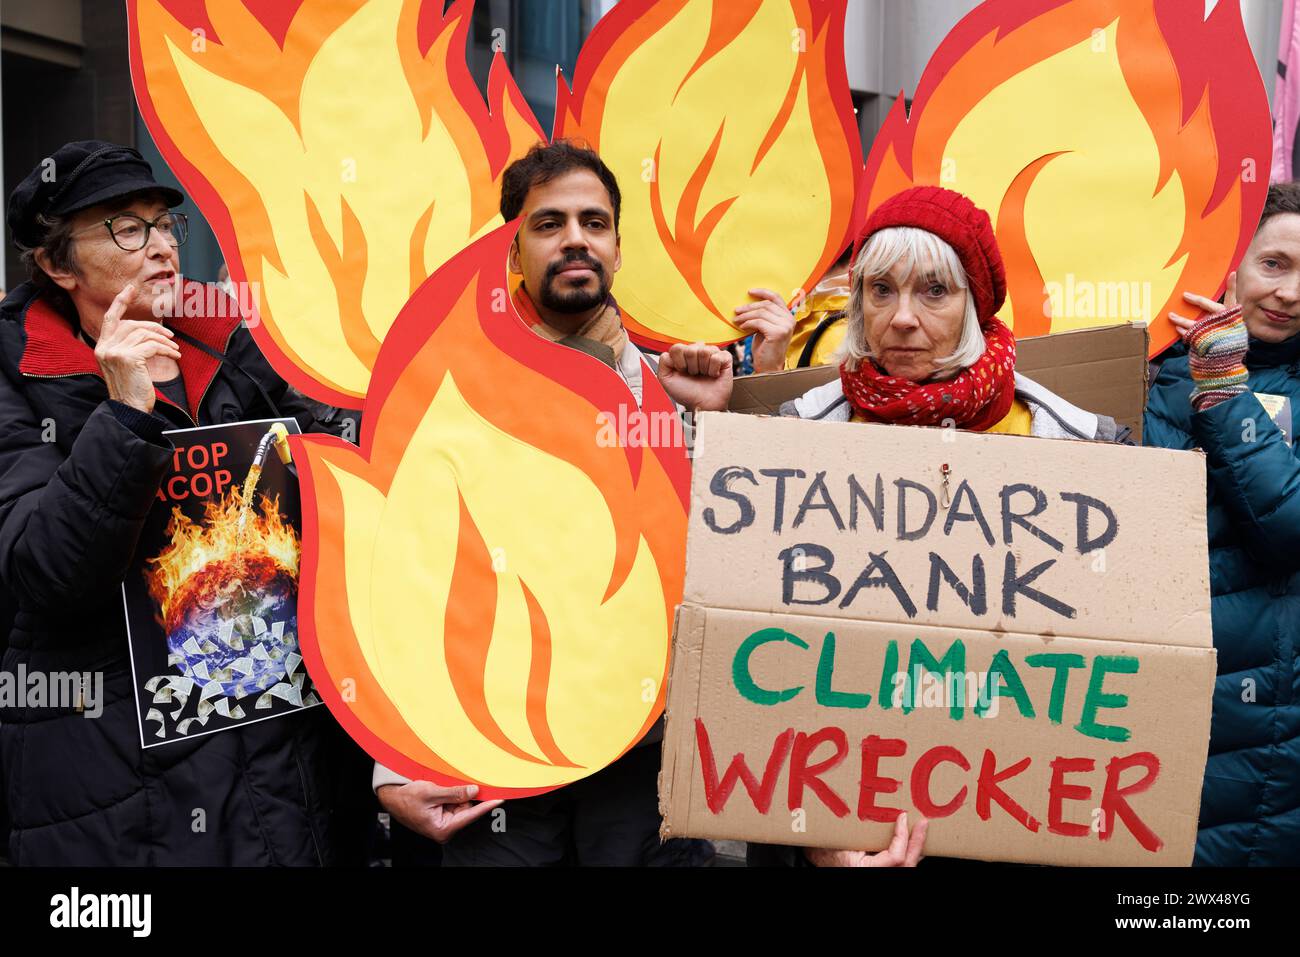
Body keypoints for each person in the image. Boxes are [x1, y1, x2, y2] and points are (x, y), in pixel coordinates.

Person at [657, 184, 1127, 865]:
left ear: (974, 305)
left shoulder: (1083, 448)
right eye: (881, 290)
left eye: (933, 291)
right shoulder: (799, 442)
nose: (902, 318)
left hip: (1018, 822)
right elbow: (746, 649)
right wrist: (820, 843)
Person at [0, 140, 379, 865]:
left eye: (163, 223)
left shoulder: (242, 353)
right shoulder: (17, 377)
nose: (161, 246)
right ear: (56, 265)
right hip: (119, 782)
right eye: (125, 228)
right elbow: (43, 570)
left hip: (280, 764)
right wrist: (124, 419)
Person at [374, 140, 743, 866]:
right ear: (512, 252)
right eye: (549, 224)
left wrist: (713, 428)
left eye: (593, 222)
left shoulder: (679, 393)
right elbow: (401, 571)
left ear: (616, 246)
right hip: (491, 758)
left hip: (646, 756)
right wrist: (392, 763)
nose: (576, 238)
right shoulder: (443, 390)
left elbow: (724, 571)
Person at [1143, 181, 1300, 866]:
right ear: (1228, 262)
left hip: (1263, 723)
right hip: (1144, 701)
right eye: (1274, 264)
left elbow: (1289, 523)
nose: (1291, 292)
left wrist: (1223, 389)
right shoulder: (1148, 369)